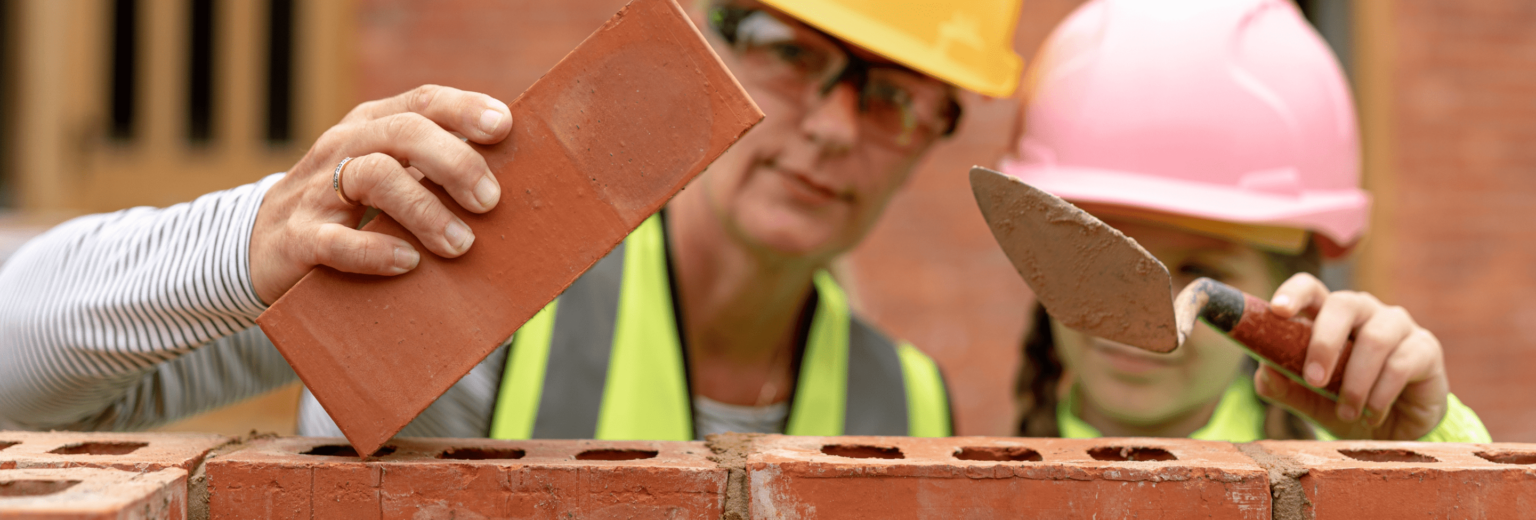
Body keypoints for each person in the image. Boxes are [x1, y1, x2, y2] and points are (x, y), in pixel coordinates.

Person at [0, 0, 1025, 441]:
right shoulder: (491, 270)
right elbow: (21, 378)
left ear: (934, 131)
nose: (836, 130)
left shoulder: (910, 404)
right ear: (710, 44)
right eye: (790, 50)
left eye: (895, 95)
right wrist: (257, 239)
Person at [1004, 0, 1489, 442]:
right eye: (1101, 254)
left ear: (1283, 294)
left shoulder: (1353, 463)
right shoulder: (975, 477)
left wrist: (1423, 450)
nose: (1139, 311)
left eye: (1198, 271)